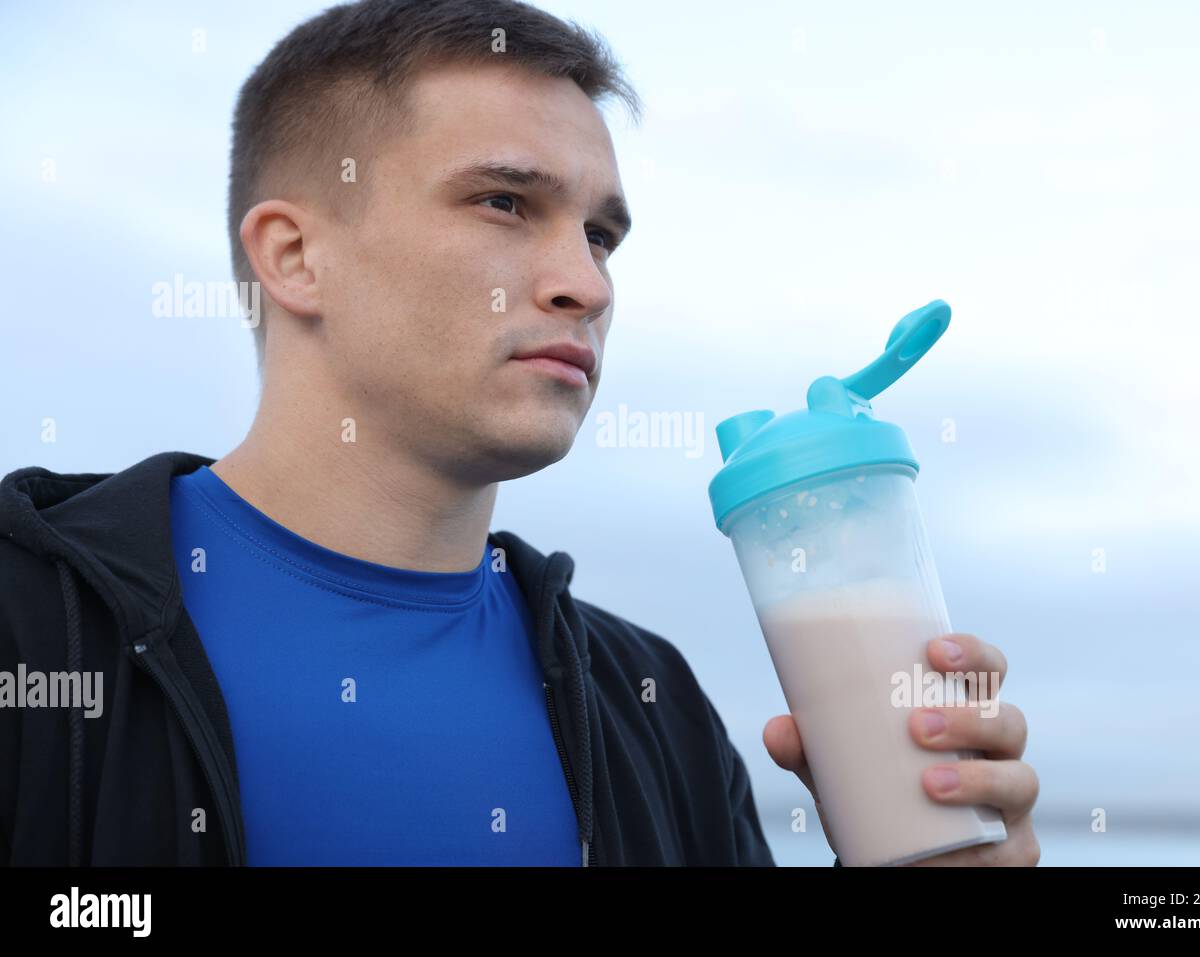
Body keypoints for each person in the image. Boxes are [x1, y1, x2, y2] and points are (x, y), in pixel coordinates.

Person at [0, 0, 1038, 866]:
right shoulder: (30, 627)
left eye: (601, 235)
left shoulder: (648, 704)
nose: (584, 284)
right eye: (503, 202)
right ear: (295, 255)